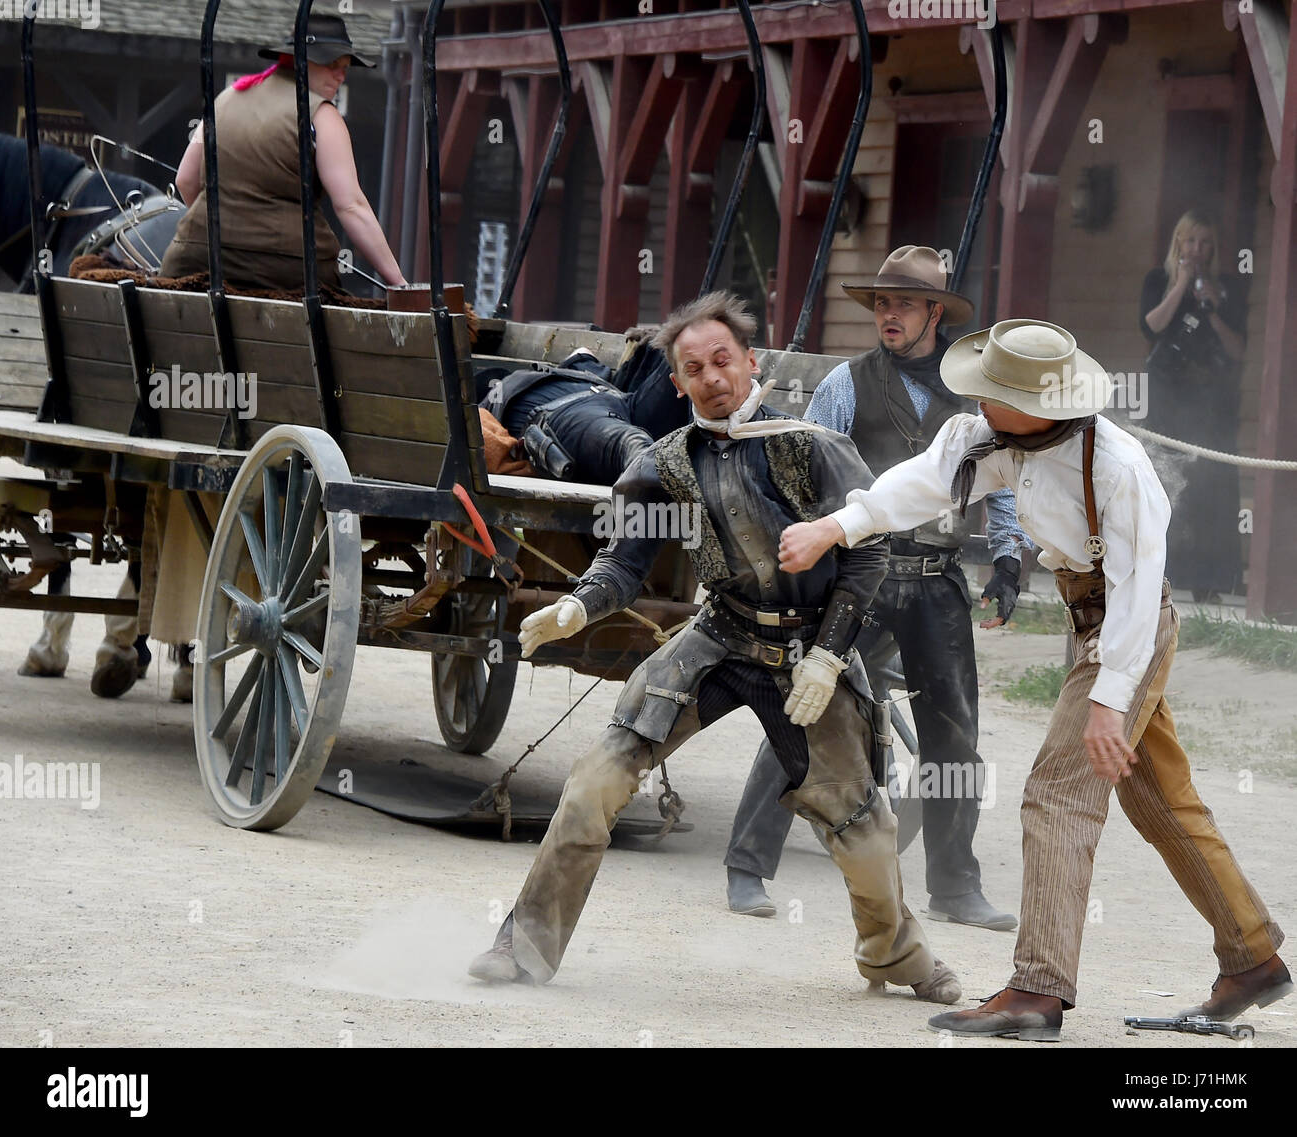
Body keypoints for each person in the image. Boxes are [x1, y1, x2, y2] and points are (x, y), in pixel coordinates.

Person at [778, 318, 1287, 1042]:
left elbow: (1140, 592)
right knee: (1163, 800)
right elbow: (921, 482)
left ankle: (1036, 990)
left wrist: (1110, 698)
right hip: (1086, 623)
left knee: (1056, 793)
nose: (979, 401)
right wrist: (838, 525)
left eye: (994, 392)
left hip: (1128, 634)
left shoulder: (1117, 466)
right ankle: (1253, 956)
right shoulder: (990, 436)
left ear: (1043, 403)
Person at [466, 291, 961, 1004]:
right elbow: (625, 562)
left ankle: (896, 958)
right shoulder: (665, 464)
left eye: (722, 360)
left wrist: (827, 656)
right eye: (693, 367)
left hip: (807, 654)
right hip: (718, 637)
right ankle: (523, 946)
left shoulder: (811, 446)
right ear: (676, 381)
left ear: (750, 361)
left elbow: (867, 554)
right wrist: (576, 605)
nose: (712, 377)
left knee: (863, 828)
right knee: (592, 785)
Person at [724, 247, 1029, 931]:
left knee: (954, 736)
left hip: (938, 582)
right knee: (807, 705)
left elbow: (1001, 480)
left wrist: (1008, 559)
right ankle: (747, 866)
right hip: (860, 573)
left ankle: (953, 884)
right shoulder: (846, 383)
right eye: (881, 304)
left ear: (934, 314)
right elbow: (806, 475)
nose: (887, 315)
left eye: (903, 304)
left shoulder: (975, 393)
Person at [161, 14, 406, 292]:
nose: (341, 75)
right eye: (331, 64)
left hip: (195, 260)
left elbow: (185, 180)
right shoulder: (322, 115)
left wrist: (219, 234)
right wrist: (398, 281)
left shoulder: (226, 98)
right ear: (301, 61)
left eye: (345, 67)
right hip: (289, 272)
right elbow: (350, 205)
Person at [1140, 210, 1246, 601]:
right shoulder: (1158, 280)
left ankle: (1211, 581)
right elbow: (1151, 325)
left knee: (1211, 487)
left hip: (1211, 402)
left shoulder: (1227, 288)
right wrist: (1181, 285)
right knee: (1165, 485)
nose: (1198, 250)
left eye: (1205, 243)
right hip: (1167, 400)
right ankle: (1161, 576)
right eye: (1191, 242)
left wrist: (1211, 307)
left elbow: (1238, 349)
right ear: (1178, 244)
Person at [478, 340, 691, 485]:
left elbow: (583, 352)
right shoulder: (495, 400)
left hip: (622, 407)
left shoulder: (547, 376)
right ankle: (658, 478)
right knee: (625, 442)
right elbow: (582, 352)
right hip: (565, 418)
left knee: (685, 351)